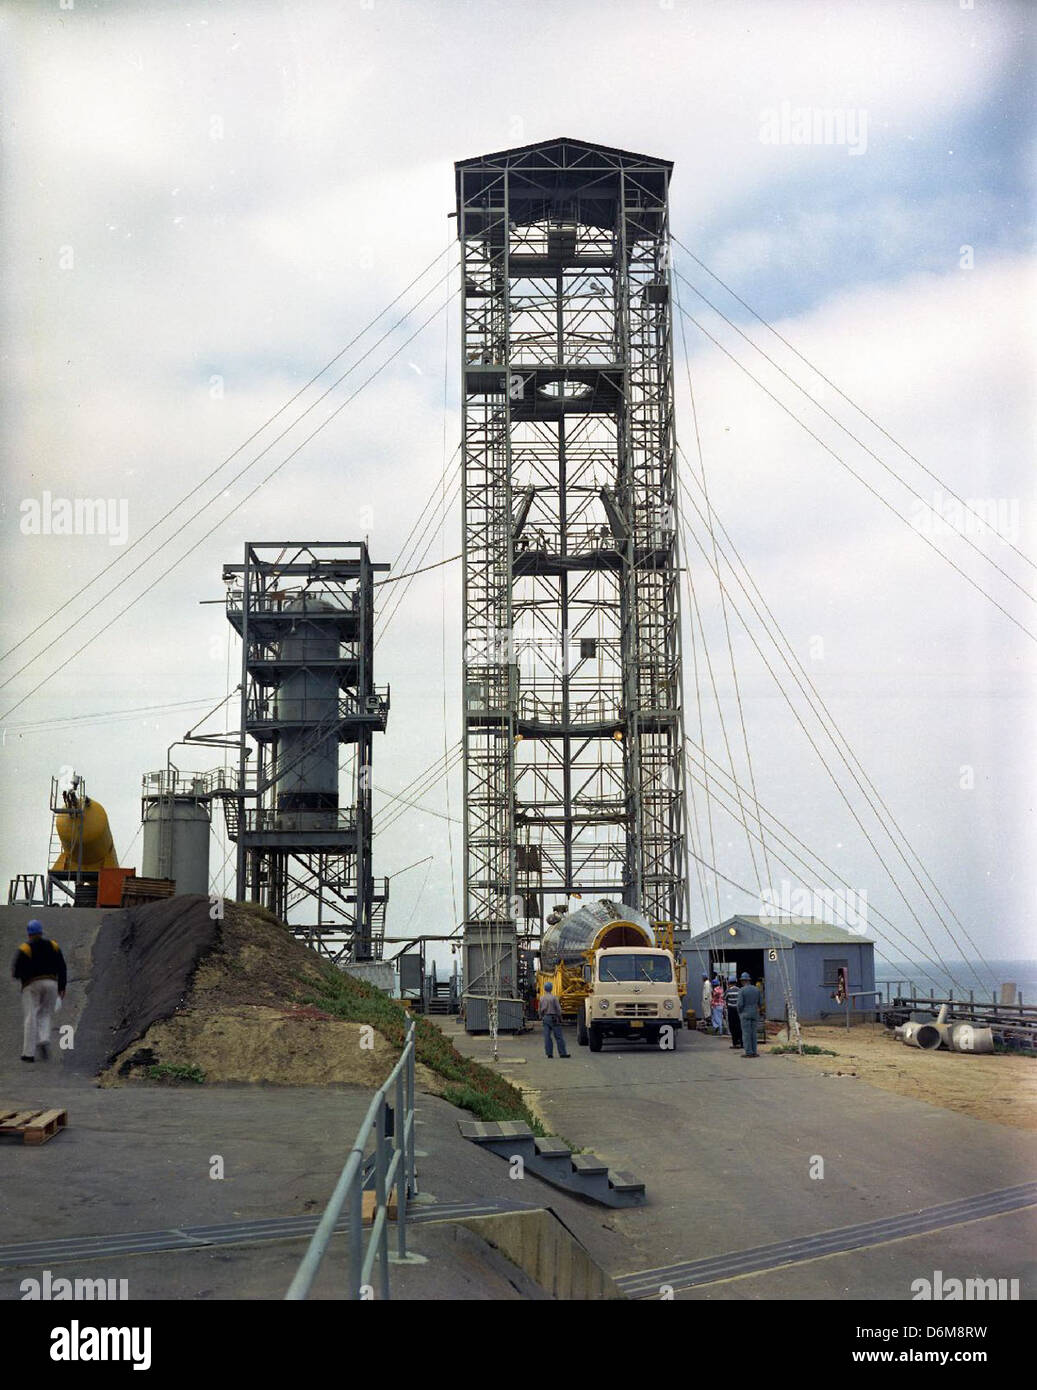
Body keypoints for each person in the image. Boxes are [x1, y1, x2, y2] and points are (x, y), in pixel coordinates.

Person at [12, 920, 66, 1063]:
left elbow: (16, 971)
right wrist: (62, 987)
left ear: (29, 934)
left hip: (32, 985)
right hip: (52, 983)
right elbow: (62, 967)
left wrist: (25, 979)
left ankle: (28, 1054)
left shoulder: (25, 948)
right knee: (45, 1013)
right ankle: (44, 1039)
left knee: (31, 1015)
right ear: (41, 932)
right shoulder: (53, 946)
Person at [538, 981, 570, 1059]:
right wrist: (560, 1017)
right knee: (559, 1036)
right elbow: (558, 1009)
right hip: (554, 1018)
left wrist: (541, 1017)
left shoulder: (541, 998)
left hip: (545, 1018)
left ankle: (549, 1054)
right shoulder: (554, 998)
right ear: (551, 988)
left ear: (545, 989)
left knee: (547, 1037)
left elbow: (539, 1010)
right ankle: (562, 1053)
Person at [737, 970, 762, 1058]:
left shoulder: (742, 990)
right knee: (753, 1033)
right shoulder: (756, 989)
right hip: (754, 1013)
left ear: (743, 981)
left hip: (745, 1013)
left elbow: (740, 1004)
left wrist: (740, 1012)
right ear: (749, 980)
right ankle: (754, 1051)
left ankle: (748, 1052)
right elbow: (760, 1003)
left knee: (746, 1033)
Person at [725, 976, 743, 1050]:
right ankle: (742, 1042)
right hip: (738, 1010)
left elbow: (724, 998)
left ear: (729, 983)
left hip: (731, 1010)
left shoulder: (728, 991)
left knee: (732, 1027)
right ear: (736, 982)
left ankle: (735, 1043)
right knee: (739, 1026)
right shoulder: (740, 990)